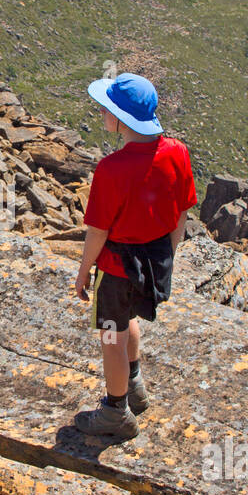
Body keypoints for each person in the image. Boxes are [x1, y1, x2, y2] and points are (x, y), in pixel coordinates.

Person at [74, 71, 196, 441]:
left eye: (105, 108)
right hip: (154, 261)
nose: (101, 114)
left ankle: (116, 412)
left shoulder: (111, 169)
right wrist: (167, 258)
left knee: (112, 336)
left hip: (116, 268)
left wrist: (83, 273)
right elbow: (181, 215)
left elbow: (98, 231)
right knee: (129, 322)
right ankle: (135, 387)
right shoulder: (177, 152)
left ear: (121, 118)